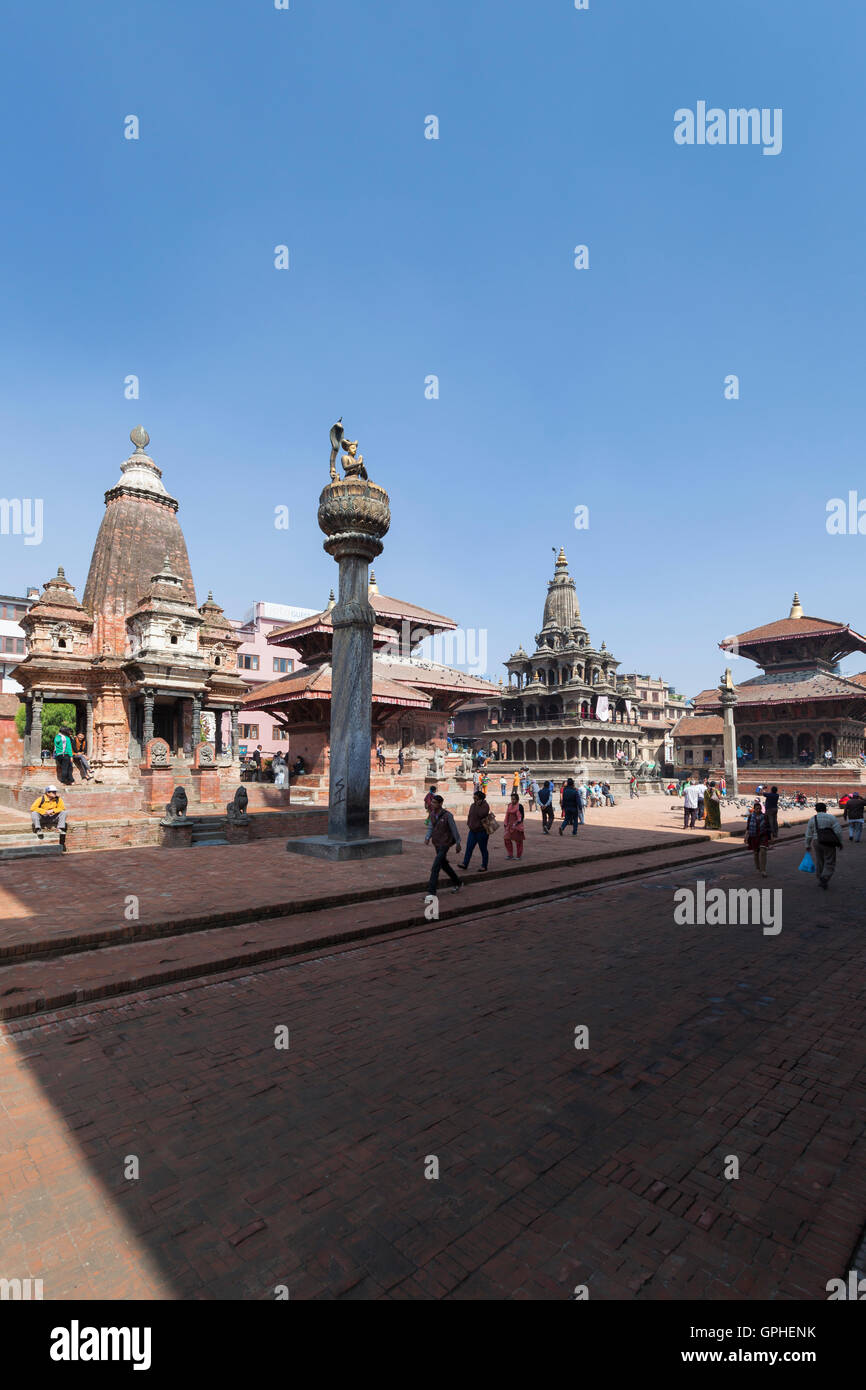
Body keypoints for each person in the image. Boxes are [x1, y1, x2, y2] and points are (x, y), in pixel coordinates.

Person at [425, 795, 462, 895]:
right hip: (437, 842)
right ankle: (458, 882)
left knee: (435, 867)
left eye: (434, 802)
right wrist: (427, 837)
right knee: (444, 865)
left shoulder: (447, 815)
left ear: (440, 804)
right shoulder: (432, 814)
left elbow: (454, 829)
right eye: (432, 802)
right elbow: (430, 827)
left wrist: (458, 842)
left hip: (445, 843)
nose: (432, 804)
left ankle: (431, 892)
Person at [805, 802, 843, 891]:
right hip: (829, 842)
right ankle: (825, 876)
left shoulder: (812, 819)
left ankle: (820, 878)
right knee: (829, 860)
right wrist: (839, 842)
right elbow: (838, 831)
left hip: (816, 841)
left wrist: (807, 844)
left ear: (816, 810)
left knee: (820, 860)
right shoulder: (831, 818)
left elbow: (808, 834)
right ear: (826, 809)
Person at [460, 789, 491, 871]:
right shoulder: (472, 805)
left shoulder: (485, 806)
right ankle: (465, 863)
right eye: (474, 798)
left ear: (481, 799)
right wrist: (469, 823)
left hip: (482, 831)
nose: (474, 800)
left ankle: (484, 865)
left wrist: (478, 805)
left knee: (483, 849)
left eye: (476, 798)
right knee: (469, 848)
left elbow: (481, 815)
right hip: (473, 830)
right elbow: (470, 815)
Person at [31, 785, 68, 852]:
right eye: (53, 792)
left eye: (55, 792)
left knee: (64, 812)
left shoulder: (58, 799)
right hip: (43, 817)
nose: (55, 793)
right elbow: (33, 808)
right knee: (34, 813)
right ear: (48, 793)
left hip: (53, 817)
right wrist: (44, 811)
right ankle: (38, 829)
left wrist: (53, 811)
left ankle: (60, 828)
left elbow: (62, 808)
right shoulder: (41, 799)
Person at [744, 800, 772, 876]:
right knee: (756, 853)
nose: (758, 810)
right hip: (754, 836)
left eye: (759, 808)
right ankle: (758, 868)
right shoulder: (750, 817)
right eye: (757, 809)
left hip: (763, 836)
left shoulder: (764, 817)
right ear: (754, 809)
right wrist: (746, 837)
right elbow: (748, 828)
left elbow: (768, 827)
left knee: (763, 852)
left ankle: (763, 870)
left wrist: (771, 837)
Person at [503, 791, 525, 859]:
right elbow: (507, 815)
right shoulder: (509, 805)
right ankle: (510, 854)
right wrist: (505, 823)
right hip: (509, 825)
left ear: (517, 800)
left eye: (514, 799)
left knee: (518, 841)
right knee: (506, 839)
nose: (512, 800)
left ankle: (519, 855)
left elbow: (521, 817)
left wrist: (516, 824)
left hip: (517, 826)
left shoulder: (519, 806)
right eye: (512, 799)